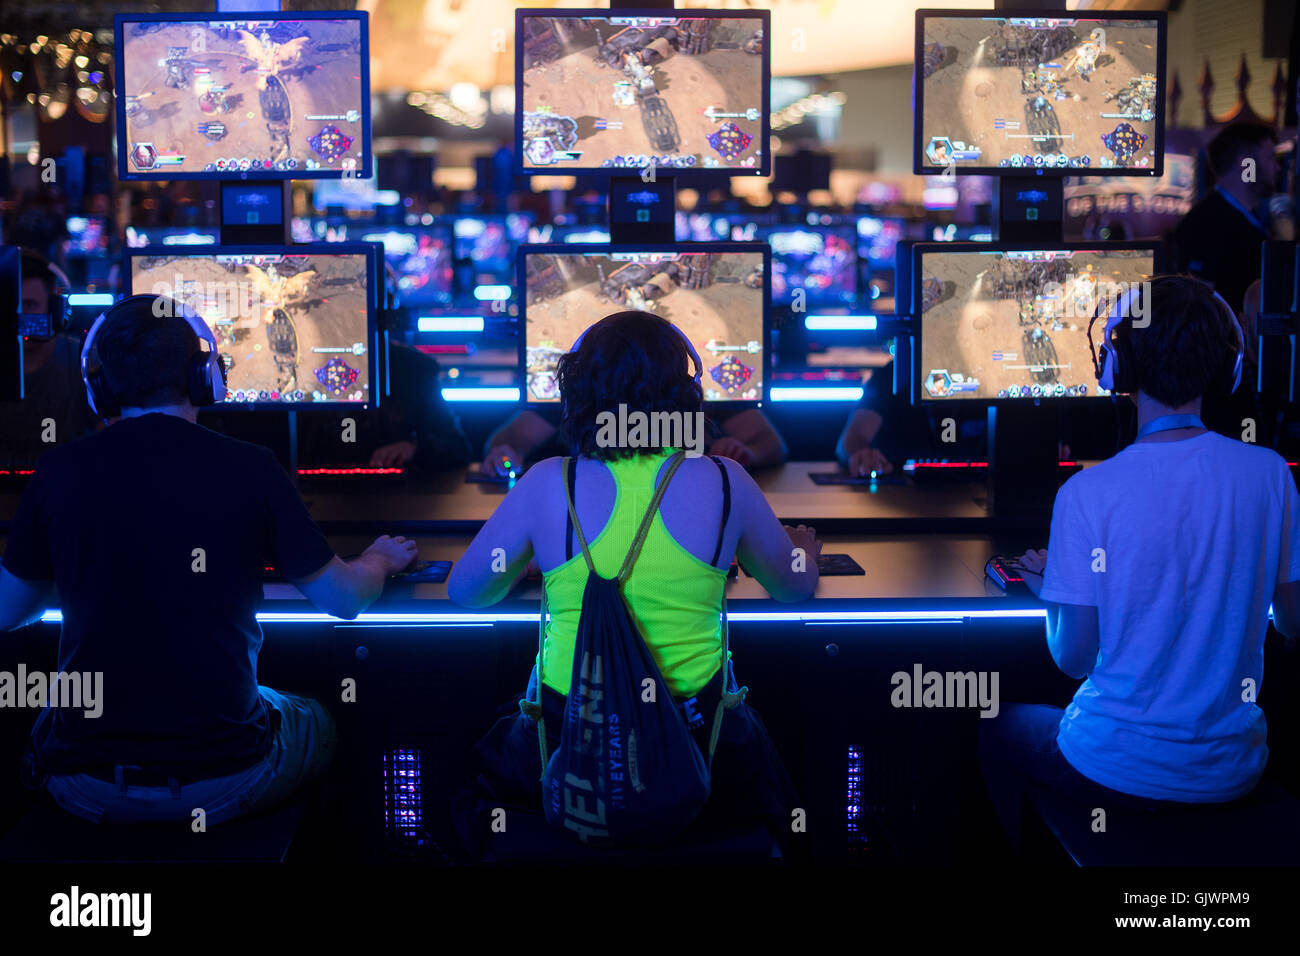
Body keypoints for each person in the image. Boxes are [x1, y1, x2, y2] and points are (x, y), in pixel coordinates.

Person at [0, 294, 418, 826]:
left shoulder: (58, 469)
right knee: (317, 717)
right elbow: (342, 599)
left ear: (99, 386)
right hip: (226, 778)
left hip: (87, 784)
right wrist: (380, 560)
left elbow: (7, 611)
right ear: (206, 377)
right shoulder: (252, 468)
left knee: (49, 715)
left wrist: (80, 573)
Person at [448, 310, 818, 846]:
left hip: (567, 737)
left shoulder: (549, 482)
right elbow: (794, 587)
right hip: (704, 742)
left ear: (578, 398)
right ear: (686, 396)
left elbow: (465, 593)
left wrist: (534, 562)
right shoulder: (724, 479)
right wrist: (802, 549)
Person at [980, 275, 1300, 850]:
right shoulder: (1272, 475)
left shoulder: (1088, 492)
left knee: (993, 726)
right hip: (1234, 772)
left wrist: (1057, 587)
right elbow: (1294, 624)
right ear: (1230, 367)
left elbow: (1073, 659)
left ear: (1115, 367)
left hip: (1115, 766)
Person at [482, 401, 787, 476]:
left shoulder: (547, 482)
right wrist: (505, 456)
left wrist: (747, 453)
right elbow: (504, 446)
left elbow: (770, 443)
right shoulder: (571, 401)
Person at [296, 341, 471, 473]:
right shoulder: (305, 367)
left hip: (398, 499)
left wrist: (415, 448)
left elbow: (457, 449)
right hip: (320, 494)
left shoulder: (413, 369)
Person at [0, 250, 99, 470]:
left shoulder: (80, 362)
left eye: (30, 305)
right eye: (10, 305)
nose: (19, 317)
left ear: (54, 310)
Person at [1173, 122, 1278, 315]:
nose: (1276, 167)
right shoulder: (1206, 221)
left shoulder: (1252, 219)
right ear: (1246, 165)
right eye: (1270, 157)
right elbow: (1197, 305)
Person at [836, 357, 985, 476]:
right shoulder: (895, 376)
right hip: (899, 492)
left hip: (974, 491)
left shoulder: (989, 379)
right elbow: (854, 436)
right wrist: (862, 455)